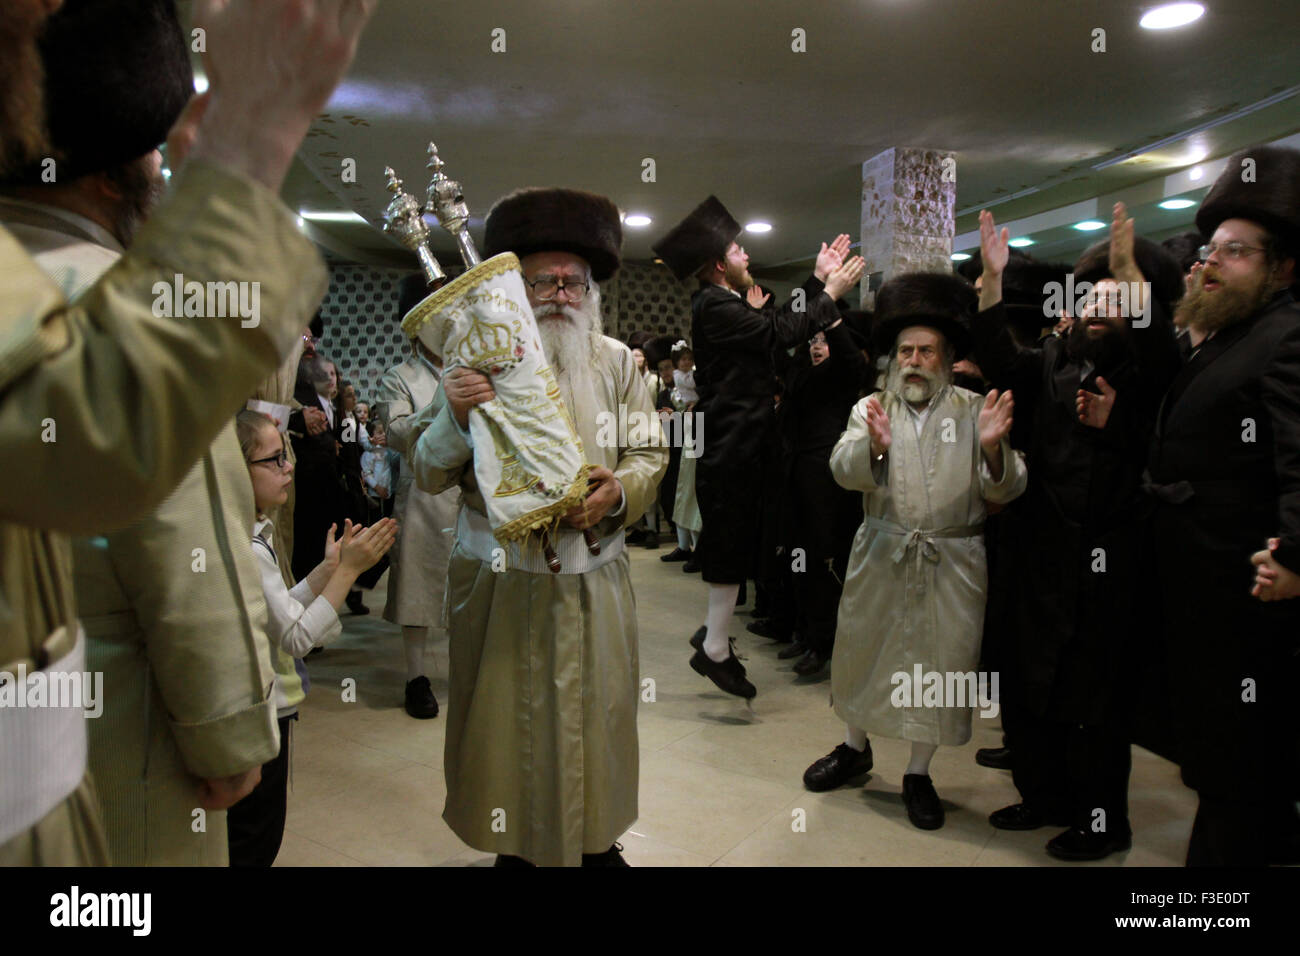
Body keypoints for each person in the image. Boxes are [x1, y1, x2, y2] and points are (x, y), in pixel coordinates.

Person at [0, 0, 374, 866]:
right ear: (112, 173)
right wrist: (230, 734)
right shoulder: (113, 307)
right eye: (155, 151)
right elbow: (175, 539)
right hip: (95, 760)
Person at [406, 187, 667, 866]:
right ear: (516, 289)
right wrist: (455, 417)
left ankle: (595, 838)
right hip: (500, 584)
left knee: (597, 717)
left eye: (571, 280)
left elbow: (649, 453)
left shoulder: (617, 364)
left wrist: (616, 494)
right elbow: (429, 473)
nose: (557, 292)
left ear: (591, 289)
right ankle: (515, 845)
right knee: (503, 727)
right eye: (541, 280)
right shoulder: (473, 361)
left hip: (594, 579)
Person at [973, 204, 1183, 860]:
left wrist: (1131, 277)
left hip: (1112, 563)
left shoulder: (1153, 374)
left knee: (1095, 704)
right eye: (1093, 291)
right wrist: (991, 281)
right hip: (1041, 556)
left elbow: (1157, 435)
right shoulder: (1052, 361)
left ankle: (1101, 823)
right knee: (1030, 687)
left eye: (1116, 294)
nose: (1098, 303)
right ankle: (1043, 796)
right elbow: (997, 359)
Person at [802, 272, 1026, 830]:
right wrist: (873, 450)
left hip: (953, 563)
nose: (915, 360)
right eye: (906, 350)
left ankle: (919, 773)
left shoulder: (976, 411)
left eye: (927, 350)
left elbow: (1008, 487)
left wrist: (996, 451)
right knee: (863, 650)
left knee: (940, 663)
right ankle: (854, 749)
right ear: (892, 356)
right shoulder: (870, 408)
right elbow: (840, 468)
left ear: (947, 357)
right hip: (881, 551)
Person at [1150, 145, 1300, 866]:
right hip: (1206, 589)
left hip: (1251, 593)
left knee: (1240, 764)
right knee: (1224, 759)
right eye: (1210, 249)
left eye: (1235, 252)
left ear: (1283, 268)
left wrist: (1297, 554)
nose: (1211, 262)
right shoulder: (1229, 336)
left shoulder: (1288, 334)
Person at [652, 195, 864, 698]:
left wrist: (816, 282)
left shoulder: (721, 304)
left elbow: (775, 327)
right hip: (732, 443)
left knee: (738, 538)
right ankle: (716, 646)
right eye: (739, 250)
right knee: (730, 539)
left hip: (741, 442)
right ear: (720, 265)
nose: (747, 255)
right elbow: (780, 333)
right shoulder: (716, 306)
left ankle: (715, 634)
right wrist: (827, 291)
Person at [228, 410, 396, 866]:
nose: (289, 467)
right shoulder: (244, 544)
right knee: (253, 841)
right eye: (275, 460)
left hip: (265, 709)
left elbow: (280, 610)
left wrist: (326, 570)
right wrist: (347, 572)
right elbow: (297, 637)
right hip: (260, 713)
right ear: (234, 470)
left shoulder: (247, 533)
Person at [373, 273, 462, 719]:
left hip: (472, 494)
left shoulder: (470, 367)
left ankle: (468, 669)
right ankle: (416, 676)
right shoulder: (399, 377)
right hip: (424, 493)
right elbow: (394, 432)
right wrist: (443, 405)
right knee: (418, 583)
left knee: (472, 581)